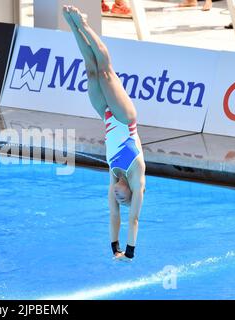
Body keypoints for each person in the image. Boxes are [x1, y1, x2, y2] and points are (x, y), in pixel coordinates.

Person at [63, 5, 146, 261]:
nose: (117, 195)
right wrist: (128, 252)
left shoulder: (113, 176)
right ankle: (85, 24)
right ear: (130, 192)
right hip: (125, 117)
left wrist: (114, 248)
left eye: (116, 196)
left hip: (108, 117)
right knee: (105, 70)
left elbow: (113, 215)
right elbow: (131, 219)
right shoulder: (136, 175)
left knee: (90, 69)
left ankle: (73, 27)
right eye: (122, 197)